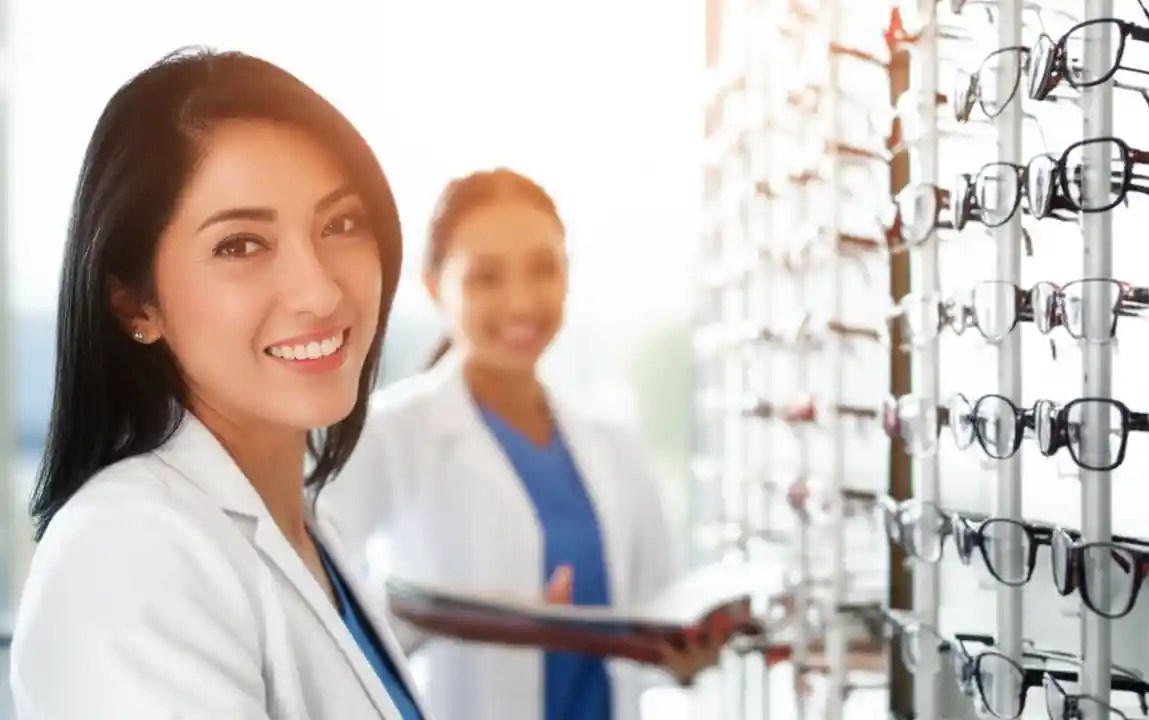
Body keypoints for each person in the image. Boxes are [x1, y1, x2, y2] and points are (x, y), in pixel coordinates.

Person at [10, 48, 428, 720]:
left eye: (341, 224)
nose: (320, 293)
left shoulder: (305, 530)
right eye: (241, 245)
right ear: (135, 304)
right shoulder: (127, 552)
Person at [317, 168, 726, 720]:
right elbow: (321, 620)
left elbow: (658, 609)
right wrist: (470, 620)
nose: (520, 302)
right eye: (487, 278)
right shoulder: (387, 434)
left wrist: (683, 655)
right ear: (435, 287)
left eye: (543, 269)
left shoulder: (615, 443)